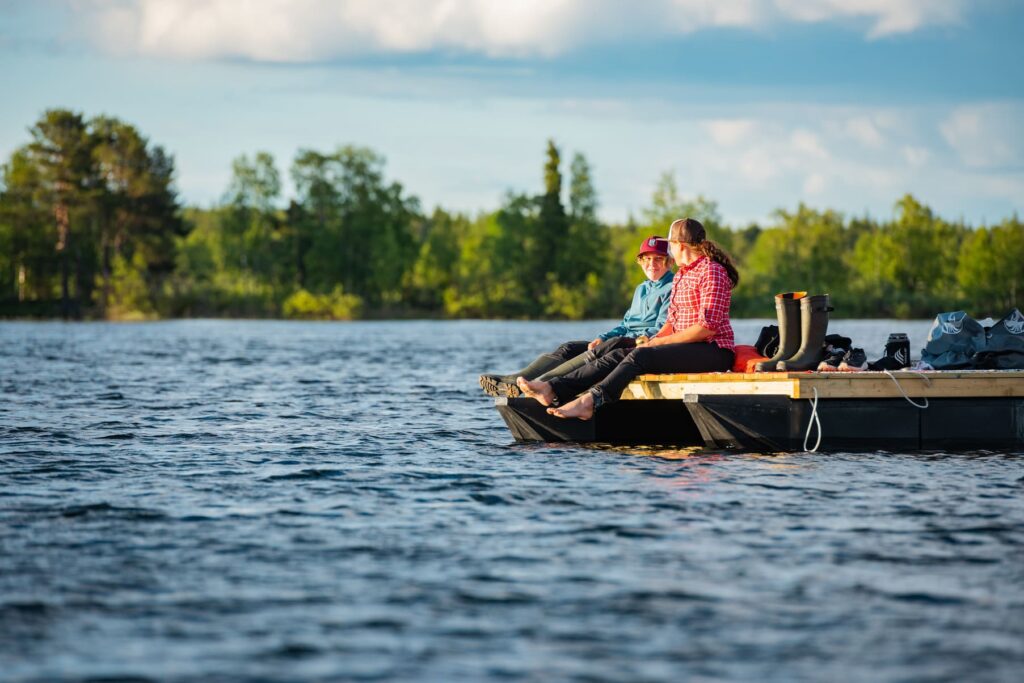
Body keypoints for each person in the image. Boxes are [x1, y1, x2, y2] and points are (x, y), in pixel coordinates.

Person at [517, 217, 739, 420]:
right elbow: (672, 322)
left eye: (670, 245)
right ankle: (553, 389)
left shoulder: (712, 271)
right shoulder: (682, 274)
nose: (670, 250)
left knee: (640, 356)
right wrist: (655, 340)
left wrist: (659, 343)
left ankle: (590, 401)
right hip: (685, 347)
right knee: (618, 354)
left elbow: (706, 328)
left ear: (679, 245)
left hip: (713, 351)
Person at [479, 236, 674, 397]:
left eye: (658, 259)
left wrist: (620, 340)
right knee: (569, 348)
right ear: (641, 261)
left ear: (668, 261)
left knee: (610, 345)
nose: (651, 264)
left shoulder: (673, 286)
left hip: (641, 345)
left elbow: (661, 328)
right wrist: (603, 337)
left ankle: (538, 385)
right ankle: (517, 379)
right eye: (646, 259)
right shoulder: (641, 288)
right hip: (618, 340)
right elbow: (625, 324)